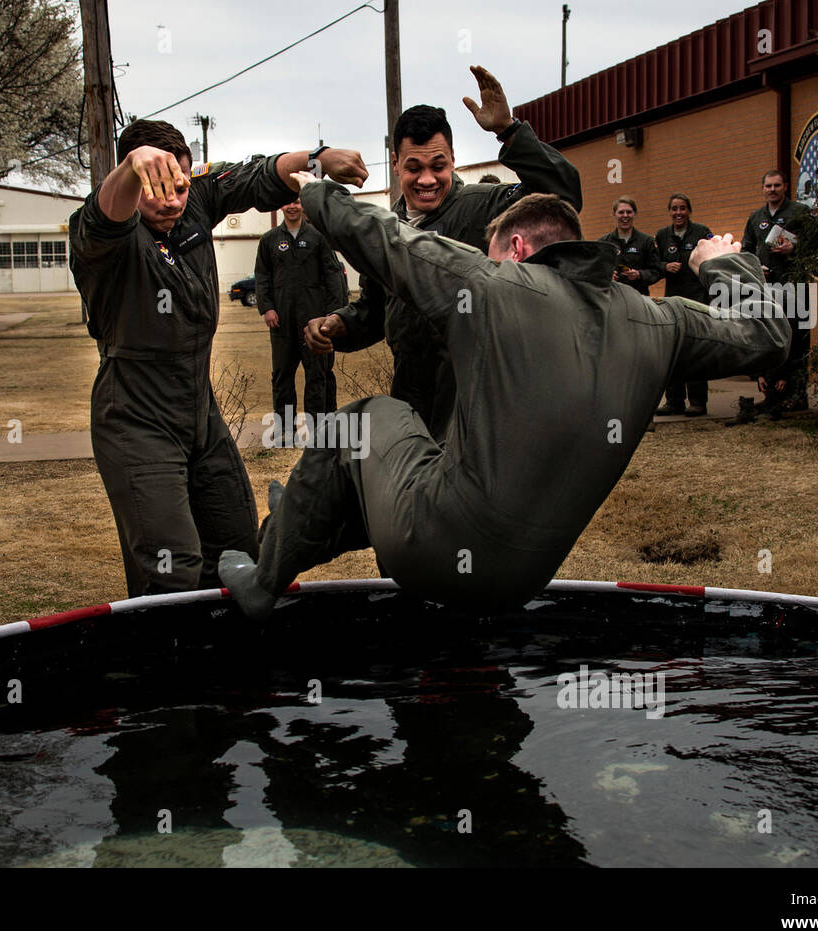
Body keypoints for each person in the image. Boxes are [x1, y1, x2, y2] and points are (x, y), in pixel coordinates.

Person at [219, 177, 789, 620]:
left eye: (492, 252)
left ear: (514, 247)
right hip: (525, 580)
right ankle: (305, 508)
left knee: (376, 418)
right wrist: (720, 261)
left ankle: (263, 581)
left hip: (434, 551)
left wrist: (313, 185)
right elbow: (768, 336)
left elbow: (388, 239)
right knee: (421, 455)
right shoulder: (659, 322)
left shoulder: (493, 286)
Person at [68, 119, 367, 597]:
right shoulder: (107, 239)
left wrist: (317, 159)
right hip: (135, 417)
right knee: (172, 569)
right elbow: (107, 213)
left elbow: (256, 177)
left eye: (180, 187)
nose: (171, 200)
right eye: (155, 188)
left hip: (199, 414)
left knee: (237, 548)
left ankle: (230, 665)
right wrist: (131, 169)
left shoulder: (194, 206)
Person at [303, 65, 582, 440]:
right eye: (414, 167)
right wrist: (341, 324)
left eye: (439, 165)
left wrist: (509, 130)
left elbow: (562, 195)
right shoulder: (387, 232)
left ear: (453, 158)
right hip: (412, 403)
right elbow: (374, 309)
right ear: (396, 164)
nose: (427, 180)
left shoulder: (485, 207)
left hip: (475, 403)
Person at [255, 199, 347, 442]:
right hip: (282, 322)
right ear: (281, 207)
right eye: (286, 203)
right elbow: (262, 276)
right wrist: (267, 308)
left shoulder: (318, 237)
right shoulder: (269, 240)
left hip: (314, 322)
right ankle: (285, 431)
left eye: (296, 201)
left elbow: (333, 275)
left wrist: (332, 315)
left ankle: (322, 431)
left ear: (303, 204)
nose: (292, 207)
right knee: (282, 375)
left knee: (319, 373)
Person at [740, 169, 817, 418]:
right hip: (767, 288)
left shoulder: (800, 213)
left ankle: (796, 395)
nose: (772, 190)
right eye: (768, 186)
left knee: (797, 337)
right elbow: (746, 249)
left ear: (785, 187)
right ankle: (771, 395)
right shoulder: (756, 217)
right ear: (762, 189)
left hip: (794, 285)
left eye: (776, 185)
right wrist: (755, 266)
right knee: (769, 335)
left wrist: (795, 248)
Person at [653, 193, 715, 416]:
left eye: (682, 208)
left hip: (697, 298)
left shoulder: (701, 232)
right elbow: (653, 264)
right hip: (673, 300)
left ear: (689, 211)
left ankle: (698, 401)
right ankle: (674, 401)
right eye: (674, 209)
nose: (678, 213)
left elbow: (714, 258)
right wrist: (664, 267)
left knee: (697, 350)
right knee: (674, 350)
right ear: (670, 212)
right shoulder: (662, 235)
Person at [599, 196, 662, 296]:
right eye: (621, 212)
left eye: (629, 212)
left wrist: (639, 274)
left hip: (639, 298)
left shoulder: (646, 241)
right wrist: (607, 276)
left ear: (635, 214)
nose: (625, 215)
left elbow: (657, 271)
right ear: (614, 214)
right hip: (613, 298)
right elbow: (596, 271)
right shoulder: (604, 243)